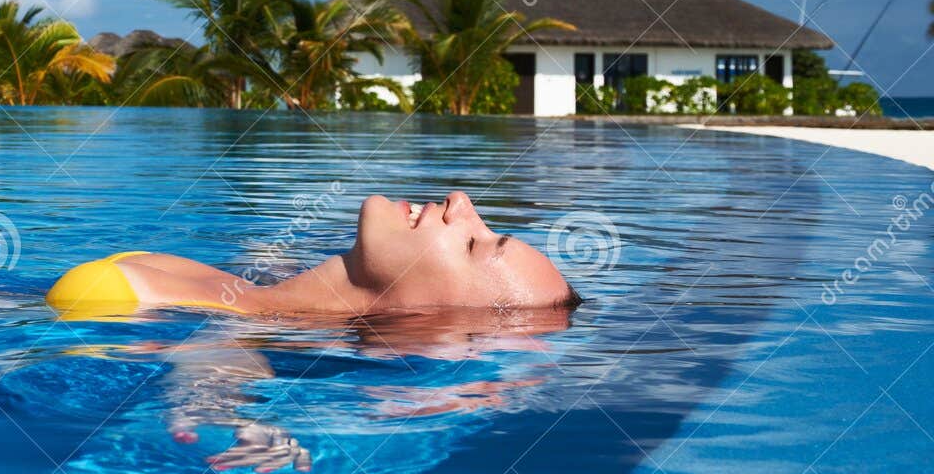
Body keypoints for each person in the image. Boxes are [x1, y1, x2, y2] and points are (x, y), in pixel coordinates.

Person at [46, 190, 580, 318]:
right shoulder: (236, 296)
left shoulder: (123, 300)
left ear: (424, 313)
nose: (460, 202)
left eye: (472, 243)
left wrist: (210, 395)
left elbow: (218, 364)